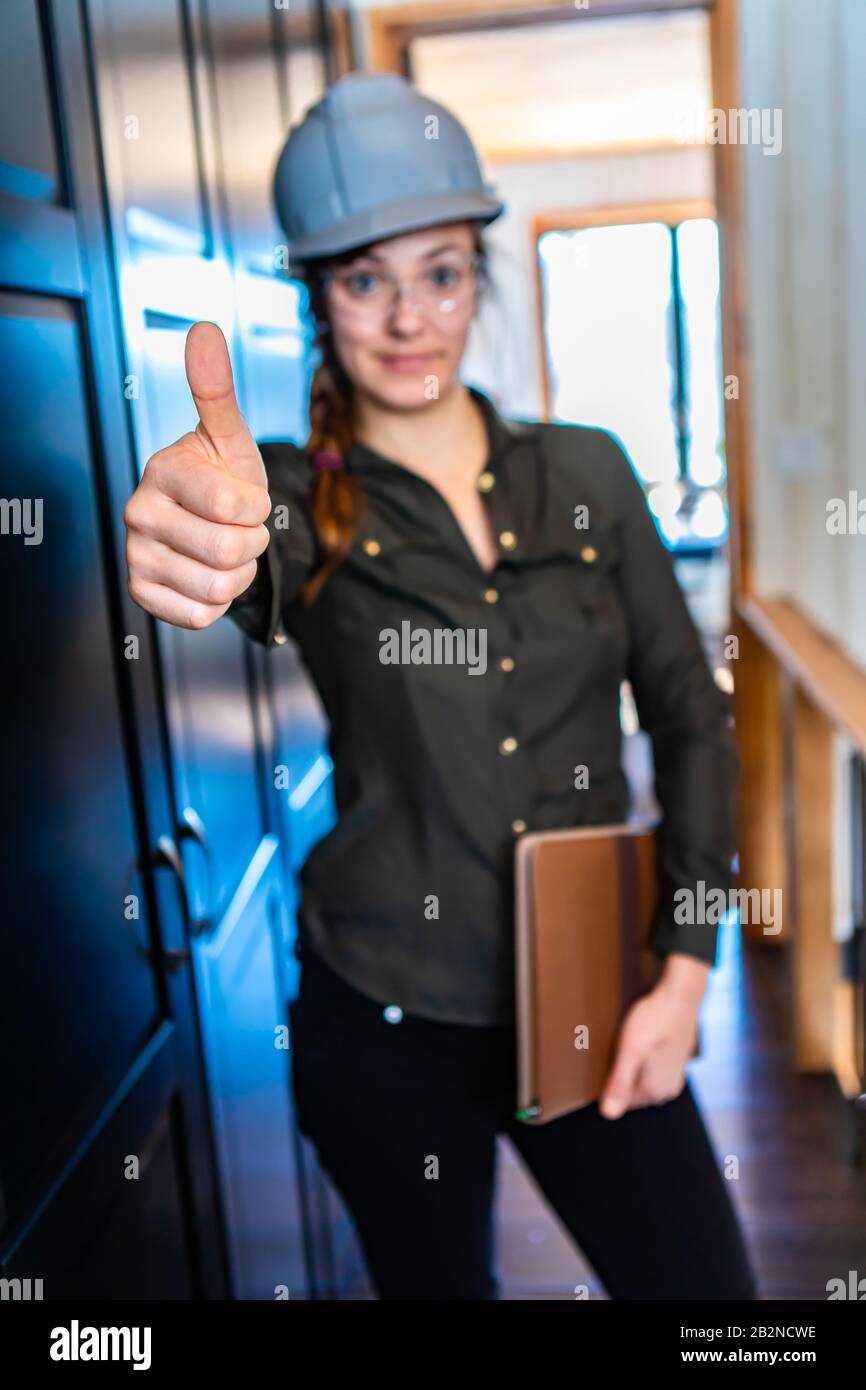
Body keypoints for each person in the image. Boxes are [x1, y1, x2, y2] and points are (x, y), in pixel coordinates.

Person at [123, 71, 758, 1301]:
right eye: (364, 280)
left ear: (479, 277)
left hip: (594, 990)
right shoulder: (298, 501)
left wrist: (683, 969)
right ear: (318, 297)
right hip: (384, 1019)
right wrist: (191, 540)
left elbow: (690, 715)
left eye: (441, 272)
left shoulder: (588, 471)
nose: (408, 316)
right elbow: (241, 557)